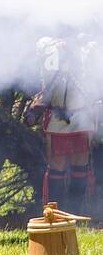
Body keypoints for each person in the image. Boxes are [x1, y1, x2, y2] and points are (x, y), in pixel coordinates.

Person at [34, 36, 99, 214]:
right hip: (57, 117)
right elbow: (47, 80)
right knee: (57, 167)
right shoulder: (48, 45)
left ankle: (77, 215)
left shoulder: (90, 46)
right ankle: (53, 215)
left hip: (83, 116)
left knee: (81, 166)